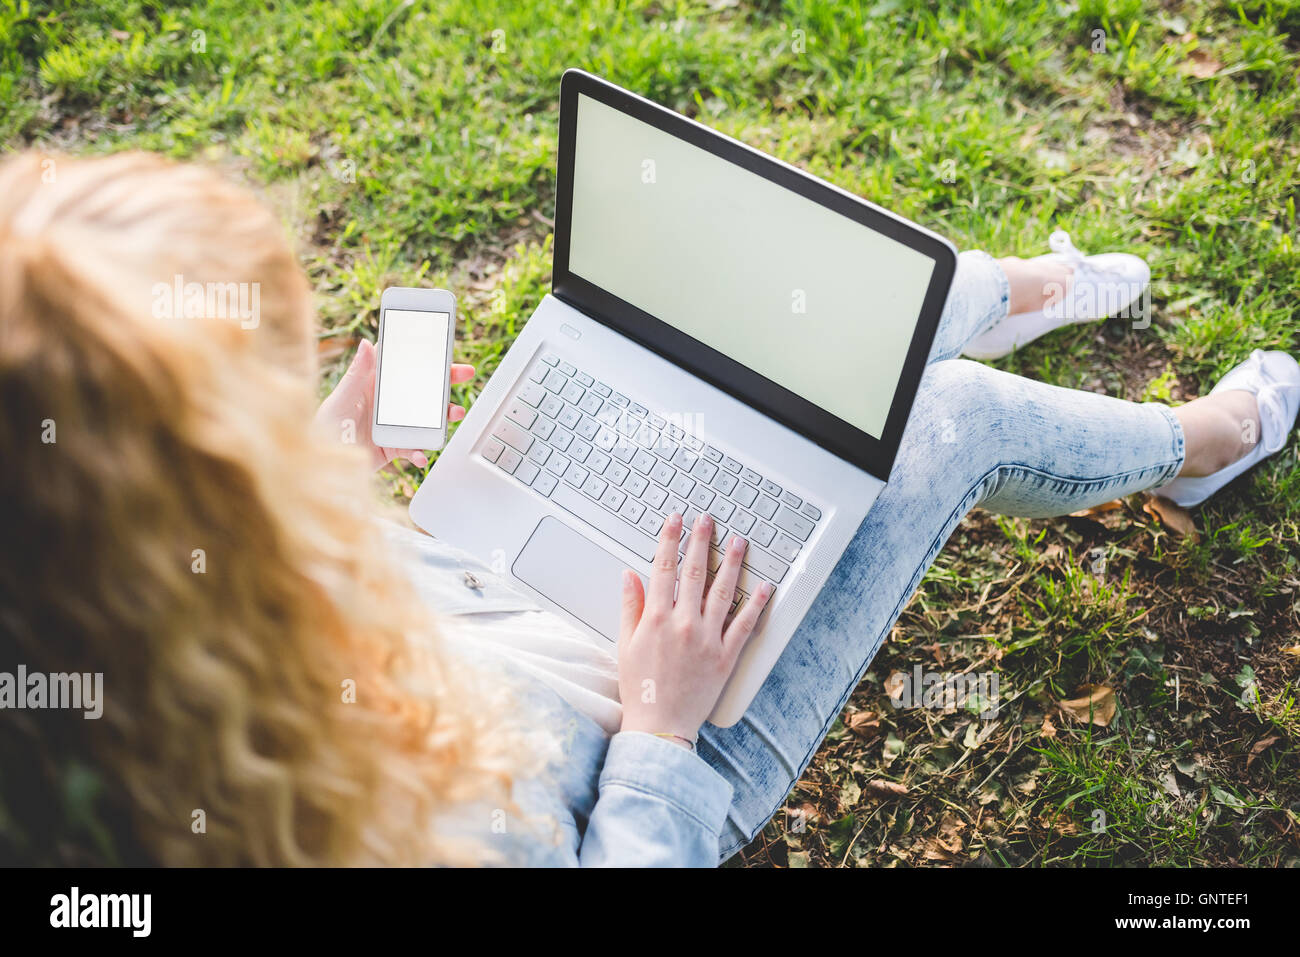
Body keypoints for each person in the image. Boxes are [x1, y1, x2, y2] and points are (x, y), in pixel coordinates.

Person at [1, 152, 1295, 866]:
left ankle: (1009, 290)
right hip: (654, 724)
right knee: (945, 414)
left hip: (467, 581)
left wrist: (324, 469)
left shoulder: (79, 612)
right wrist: (669, 729)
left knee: (838, 337)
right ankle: (1199, 447)